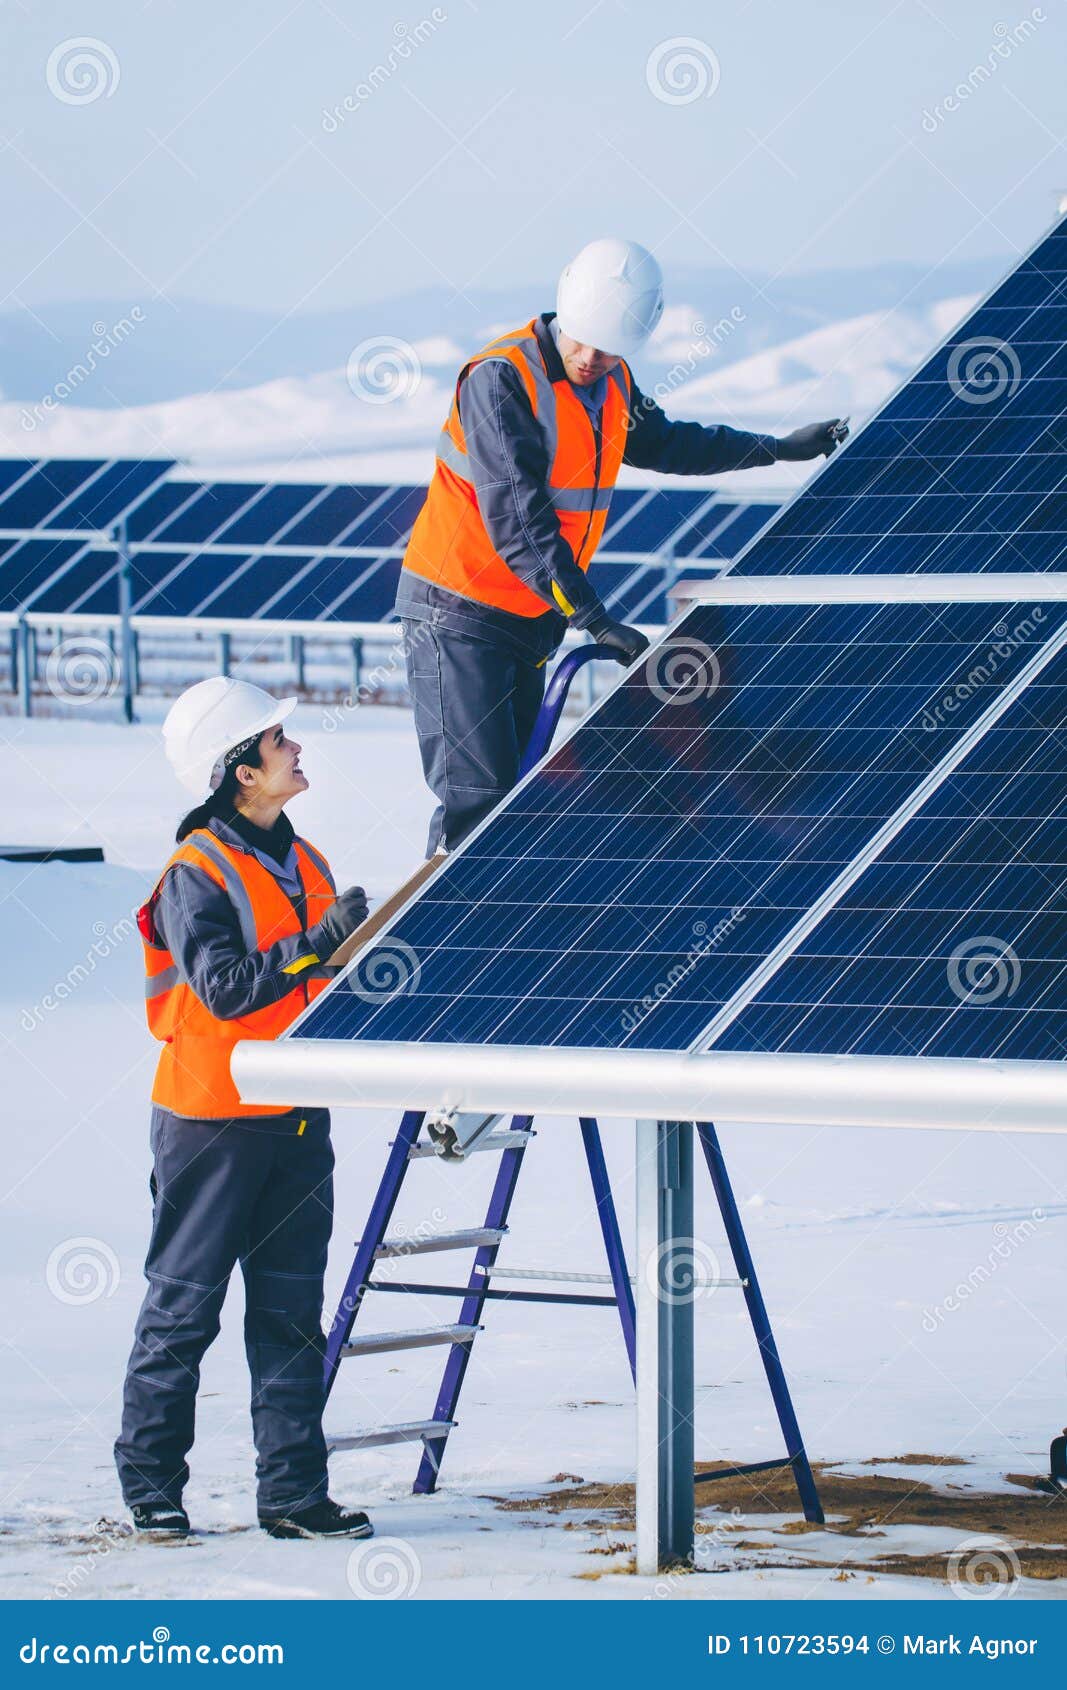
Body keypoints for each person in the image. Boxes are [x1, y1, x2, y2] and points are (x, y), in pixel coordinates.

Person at [396, 236, 848, 855]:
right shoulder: (501, 379)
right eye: (582, 340)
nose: (591, 357)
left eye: (610, 349)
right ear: (563, 310)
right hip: (458, 612)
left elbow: (670, 443)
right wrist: (593, 618)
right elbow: (519, 521)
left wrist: (775, 448)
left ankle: (487, 937)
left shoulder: (612, 383)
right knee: (478, 801)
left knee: (511, 804)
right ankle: (442, 942)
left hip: (528, 618)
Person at [114, 677, 372, 1541]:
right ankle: (152, 1488)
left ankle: (293, 1496)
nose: (293, 749)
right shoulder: (194, 875)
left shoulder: (310, 864)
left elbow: (320, 981)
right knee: (183, 1310)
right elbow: (224, 990)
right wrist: (318, 944)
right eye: (275, 742)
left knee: (291, 1316)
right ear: (239, 773)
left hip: (297, 1119)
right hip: (210, 1123)